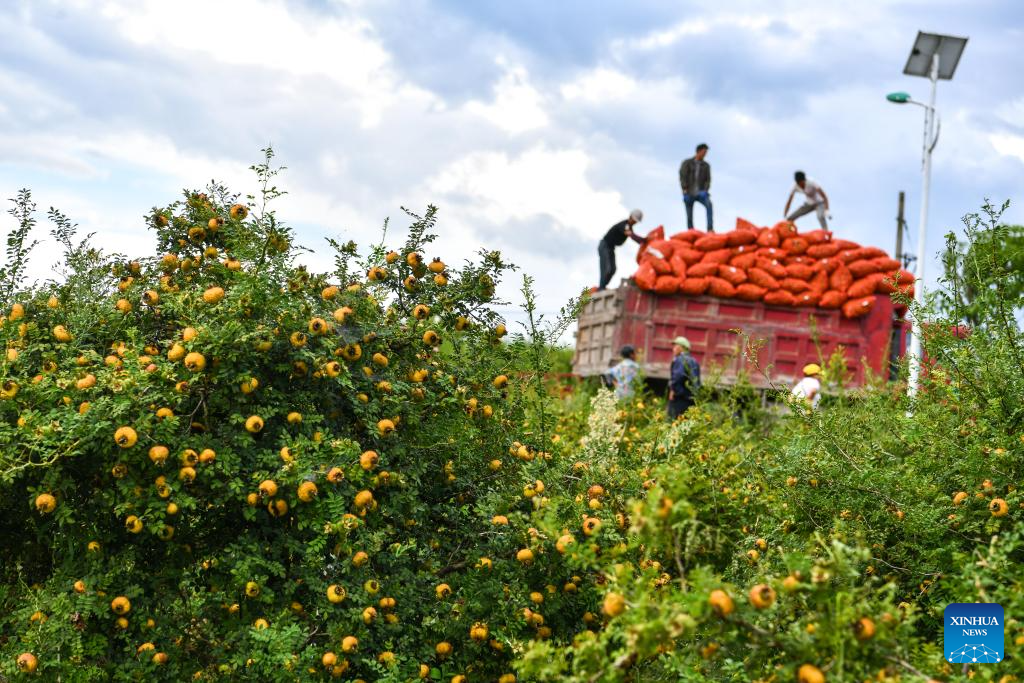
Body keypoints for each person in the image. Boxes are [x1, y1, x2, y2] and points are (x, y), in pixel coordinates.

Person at [598, 209, 645, 290]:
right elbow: (630, 234)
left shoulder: (629, 227)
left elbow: (632, 235)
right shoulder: (625, 225)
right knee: (607, 268)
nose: (635, 223)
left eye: (636, 221)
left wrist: (643, 241)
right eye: (634, 220)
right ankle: (601, 288)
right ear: (630, 217)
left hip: (611, 248)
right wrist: (643, 241)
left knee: (613, 269)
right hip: (605, 246)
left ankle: (603, 286)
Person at [679, 143, 712, 232]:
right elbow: (682, 176)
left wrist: (705, 190)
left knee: (709, 204)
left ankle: (710, 228)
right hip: (689, 192)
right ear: (699, 151)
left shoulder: (706, 166)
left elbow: (708, 180)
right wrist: (684, 189)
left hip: (701, 192)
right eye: (704, 152)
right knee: (689, 212)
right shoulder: (687, 163)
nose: (705, 154)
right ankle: (691, 230)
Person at [668, 336, 701, 420]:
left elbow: (677, 377)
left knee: (674, 422)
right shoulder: (694, 360)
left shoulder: (680, 359)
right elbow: (697, 381)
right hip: (690, 398)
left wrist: (673, 391)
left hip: (680, 398)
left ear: (681, 347)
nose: (673, 349)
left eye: (675, 346)